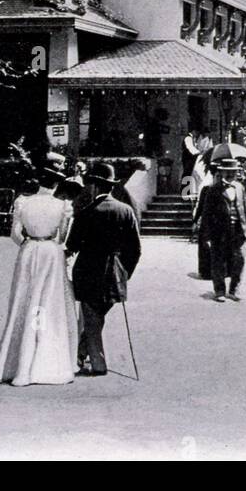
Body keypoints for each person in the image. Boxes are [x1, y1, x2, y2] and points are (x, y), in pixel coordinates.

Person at [0, 163, 79, 385]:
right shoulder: (63, 205)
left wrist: (28, 244)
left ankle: (19, 366)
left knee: (25, 301)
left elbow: (15, 234)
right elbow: (62, 236)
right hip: (51, 252)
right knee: (48, 303)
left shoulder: (23, 202)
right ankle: (43, 362)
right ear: (56, 184)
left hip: (28, 252)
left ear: (39, 182)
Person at [65, 160, 141, 376]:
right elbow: (135, 250)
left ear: (95, 186)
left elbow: (72, 245)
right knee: (97, 317)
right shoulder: (126, 211)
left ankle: (98, 365)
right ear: (111, 186)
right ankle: (80, 353)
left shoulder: (85, 213)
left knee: (92, 320)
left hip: (88, 273)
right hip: (114, 275)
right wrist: (124, 273)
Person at [195, 159, 246, 302]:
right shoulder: (213, 190)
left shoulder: (239, 187)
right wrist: (206, 236)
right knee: (218, 261)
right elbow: (206, 213)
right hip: (219, 231)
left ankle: (234, 290)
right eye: (227, 172)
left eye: (233, 172)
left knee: (239, 260)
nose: (230, 174)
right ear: (221, 172)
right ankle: (219, 291)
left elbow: (245, 210)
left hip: (238, 230)